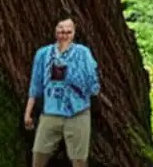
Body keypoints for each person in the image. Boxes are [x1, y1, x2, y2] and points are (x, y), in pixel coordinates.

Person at [24, 17, 99, 167]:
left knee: (79, 159)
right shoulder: (43, 54)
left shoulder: (83, 53)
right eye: (61, 30)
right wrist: (28, 112)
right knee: (39, 152)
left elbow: (93, 84)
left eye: (68, 31)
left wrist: (75, 76)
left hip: (77, 112)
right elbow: (36, 84)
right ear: (55, 30)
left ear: (74, 33)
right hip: (51, 111)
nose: (64, 34)